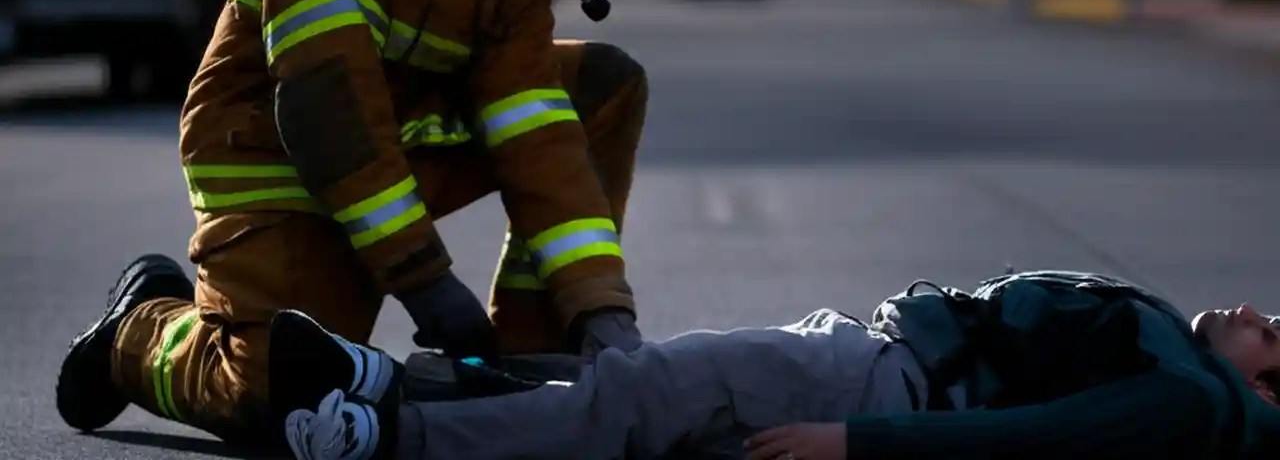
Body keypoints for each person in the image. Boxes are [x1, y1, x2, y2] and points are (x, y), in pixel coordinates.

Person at [54, 0, 691, 447]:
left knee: (600, 85)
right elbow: (328, 118)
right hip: (276, 164)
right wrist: (426, 282)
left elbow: (535, 132)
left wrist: (599, 309)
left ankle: (530, 367)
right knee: (276, 396)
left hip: (390, 151)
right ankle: (139, 333)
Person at [274, 270, 1280, 459]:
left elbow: (1019, 438)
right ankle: (383, 386)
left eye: (1272, 337)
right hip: (881, 369)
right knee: (645, 411)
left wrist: (856, 441)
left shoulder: (1189, 403)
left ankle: (390, 435)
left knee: (646, 387)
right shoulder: (1186, 382)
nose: (1252, 314)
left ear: (1264, 385)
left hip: (884, 391)